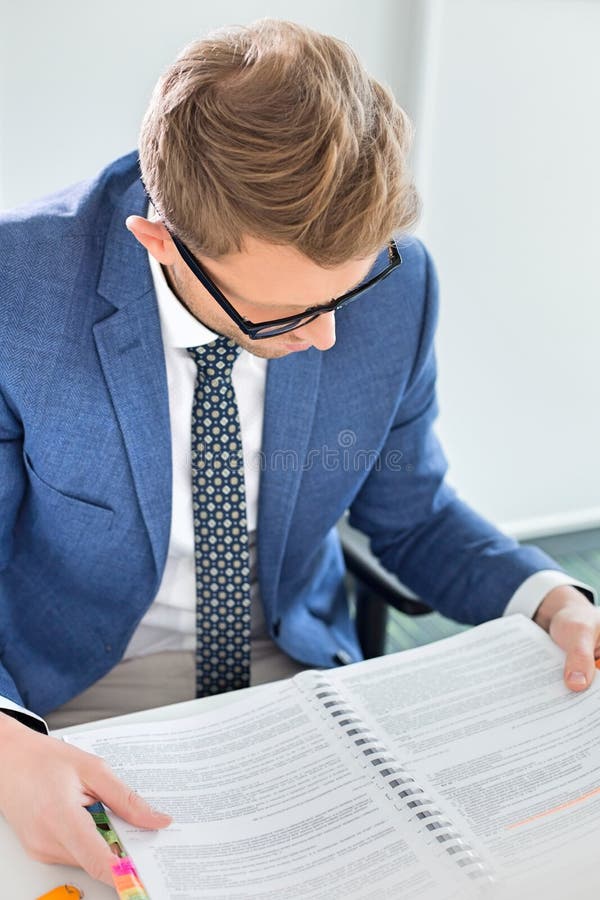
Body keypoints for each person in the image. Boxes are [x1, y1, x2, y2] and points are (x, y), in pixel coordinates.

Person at [0, 18, 597, 888]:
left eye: (346, 294)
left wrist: (553, 601)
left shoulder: (398, 283)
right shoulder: (18, 296)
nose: (325, 338)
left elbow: (413, 512)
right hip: (73, 692)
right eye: (280, 317)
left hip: (302, 682)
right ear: (159, 241)